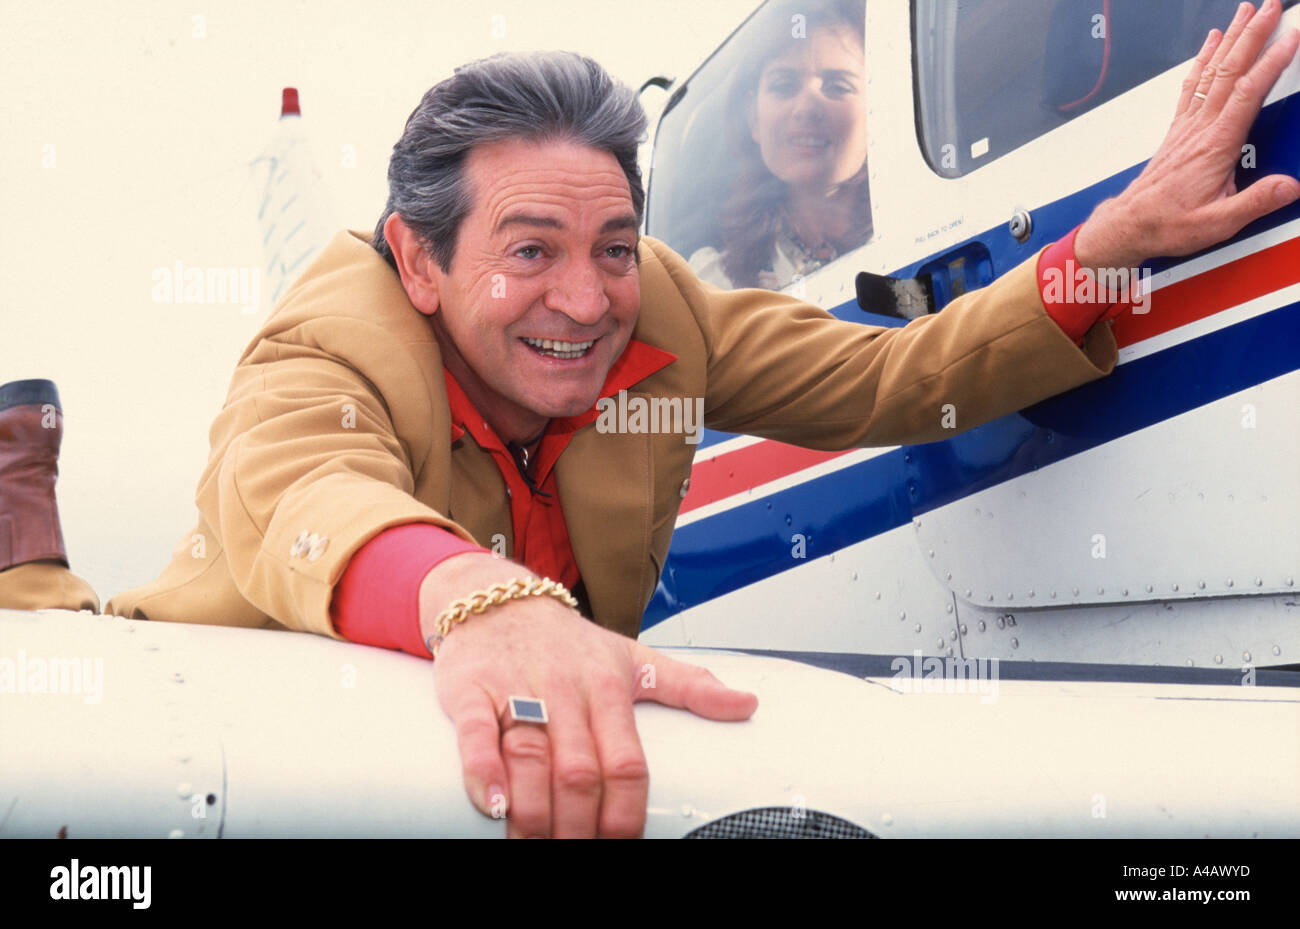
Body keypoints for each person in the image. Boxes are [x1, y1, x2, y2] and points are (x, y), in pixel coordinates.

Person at [2, 1, 1297, 839]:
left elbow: (899, 380)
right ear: (418, 261)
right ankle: (27, 549)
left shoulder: (659, 313)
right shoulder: (324, 340)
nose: (585, 300)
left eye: (613, 244)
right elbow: (308, 498)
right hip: (263, 666)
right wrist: (485, 604)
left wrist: (1110, 245)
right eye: (529, 251)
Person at [690, 0, 872, 290]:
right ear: (754, 120)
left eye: (838, 86)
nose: (806, 109)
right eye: (784, 86)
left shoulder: (921, 227)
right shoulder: (716, 286)